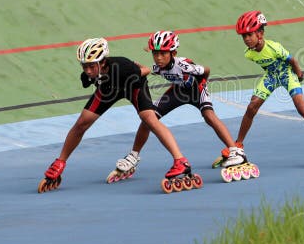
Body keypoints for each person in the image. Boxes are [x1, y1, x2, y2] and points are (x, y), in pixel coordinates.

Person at [38, 37, 195, 192]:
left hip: (133, 86)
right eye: (84, 66)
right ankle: (60, 163)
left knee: (149, 119)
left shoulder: (122, 66)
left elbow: (146, 70)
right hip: (109, 90)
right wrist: (95, 75)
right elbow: (92, 80)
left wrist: (135, 71)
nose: (88, 71)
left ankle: (180, 160)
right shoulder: (87, 75)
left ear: (103, 62)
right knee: (81, 124)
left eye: (92, 66)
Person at [112, 30, 252, 180]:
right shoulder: (158, 66)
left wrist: (202, 85)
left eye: (163, 54)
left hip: (197, 91)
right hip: (178, 92)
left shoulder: (184, 66)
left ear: (174, 53)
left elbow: (206, 70)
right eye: (155, 53)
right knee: (148, 118)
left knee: (209, 116)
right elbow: (149, 70)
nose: (158, 58)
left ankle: (235, 151)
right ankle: (133, 156)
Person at [233, 10, 304, 167]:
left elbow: (292, 60)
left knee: (301, 108)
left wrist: (299, 74)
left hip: (287, 75)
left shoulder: (274, 47)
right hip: (271, 76)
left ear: (260, 33)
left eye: (249, 35)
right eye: (243, 36)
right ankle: (237, 145)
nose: (246, 39)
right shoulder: (249, 54)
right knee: (251, 107)